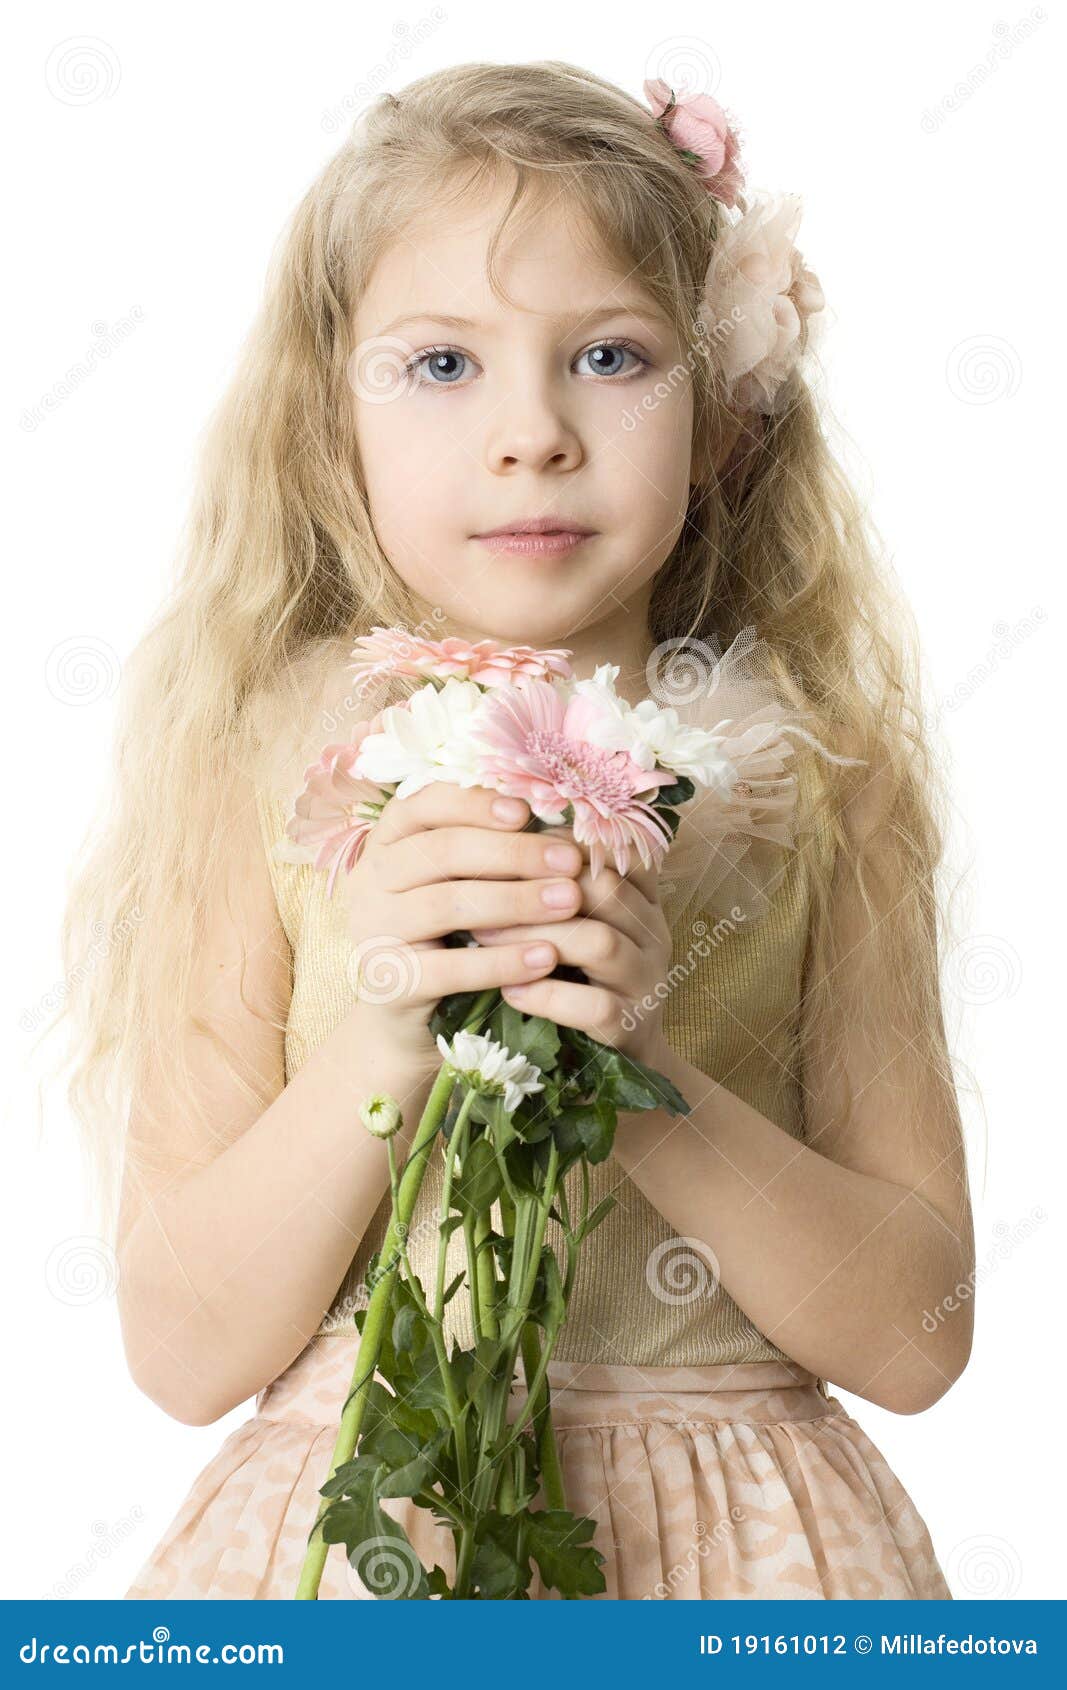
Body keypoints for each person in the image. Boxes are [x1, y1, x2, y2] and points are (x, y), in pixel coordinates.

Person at [56, 59, 974, 1599]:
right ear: (325, 417)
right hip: (367, 1553)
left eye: (611, 356)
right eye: (441, 366)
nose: (532, 433)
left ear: (727, 409)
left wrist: (642, 1073)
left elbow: (920, 1334)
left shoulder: (820, 778)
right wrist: (390, 1036)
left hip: (737, 1569)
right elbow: (182, 1347)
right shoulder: (267, 766)